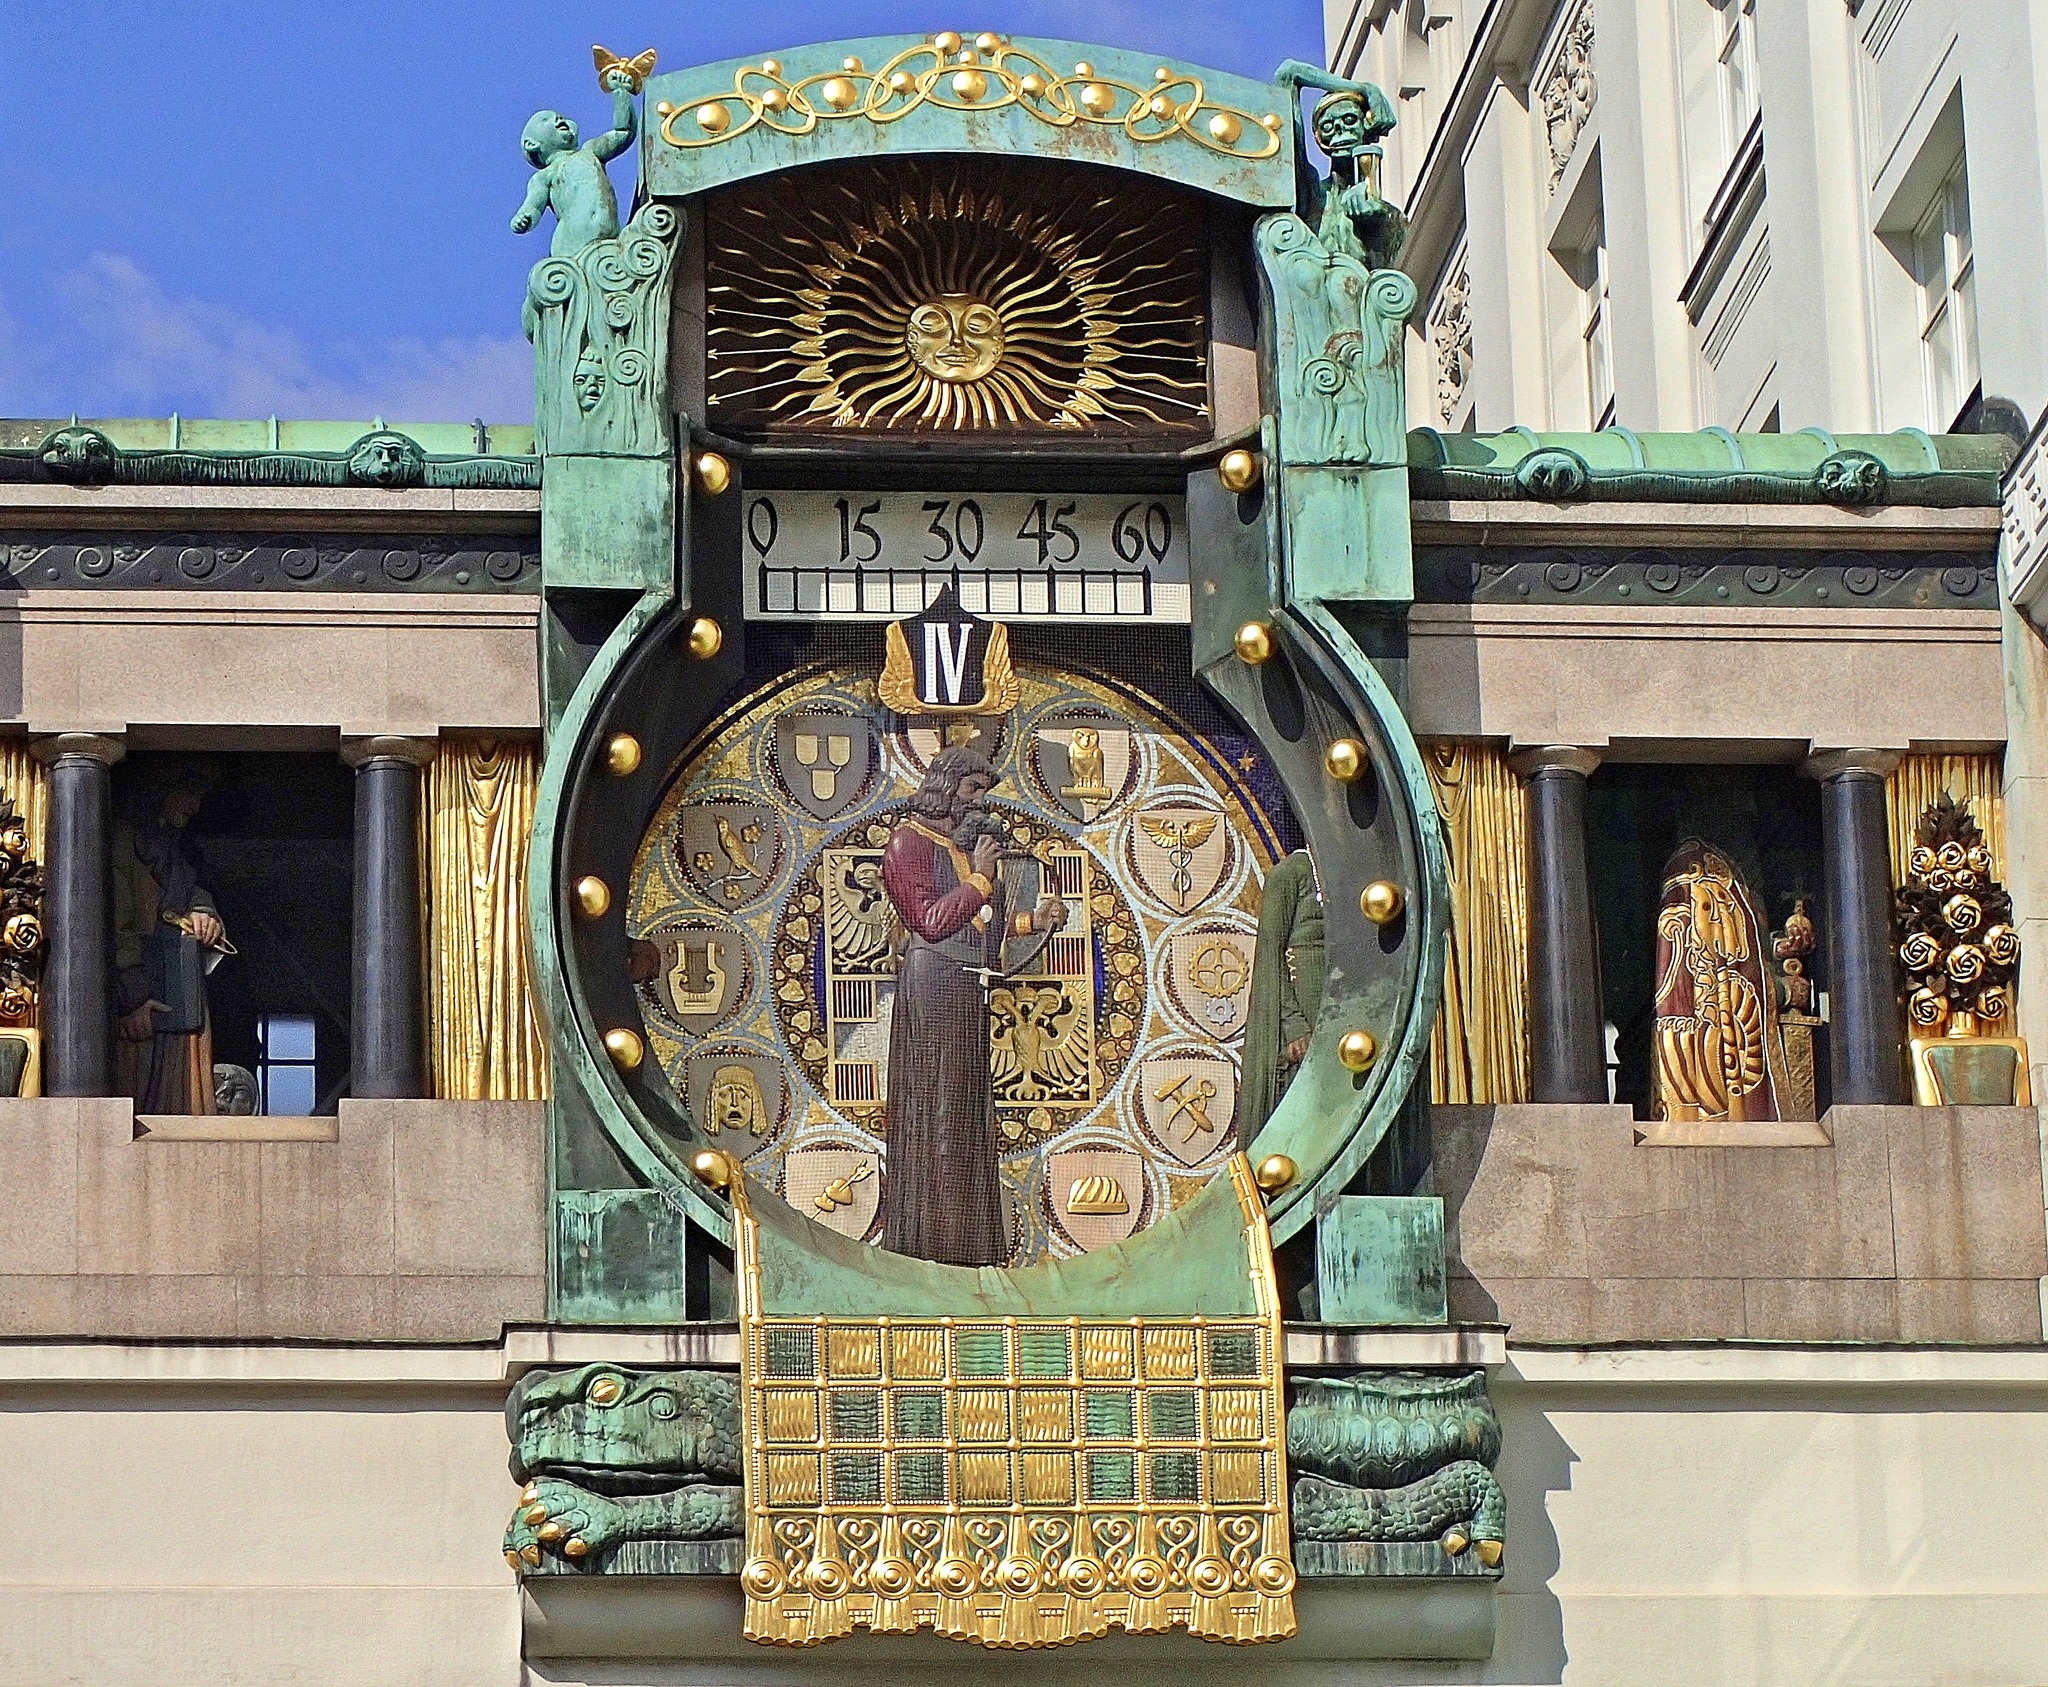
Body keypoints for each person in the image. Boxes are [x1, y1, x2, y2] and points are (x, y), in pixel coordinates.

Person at [877, 746, 1065, 1265]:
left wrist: (1036, 921)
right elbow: (931, 921)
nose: (978, 803)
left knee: (964, 1112)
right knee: (939, 1108)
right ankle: (935, 1244)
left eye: (983, 792)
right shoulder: (907, 844)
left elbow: (987, 929)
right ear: (944, 786)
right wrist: (981, 880)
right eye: (970, 791)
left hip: (966, 986)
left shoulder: (966, 849)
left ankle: (969, 1243)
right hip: (934, 983)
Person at [113, 761, 229, 1114]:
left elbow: (189, 893)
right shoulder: (122, 842)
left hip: (175, 994)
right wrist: (132, 998)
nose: (194, 807)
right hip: (140, 1001)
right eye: (190, 794)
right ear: (161, 790)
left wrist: (206, 915)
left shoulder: (173, 853)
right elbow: (117, 924)